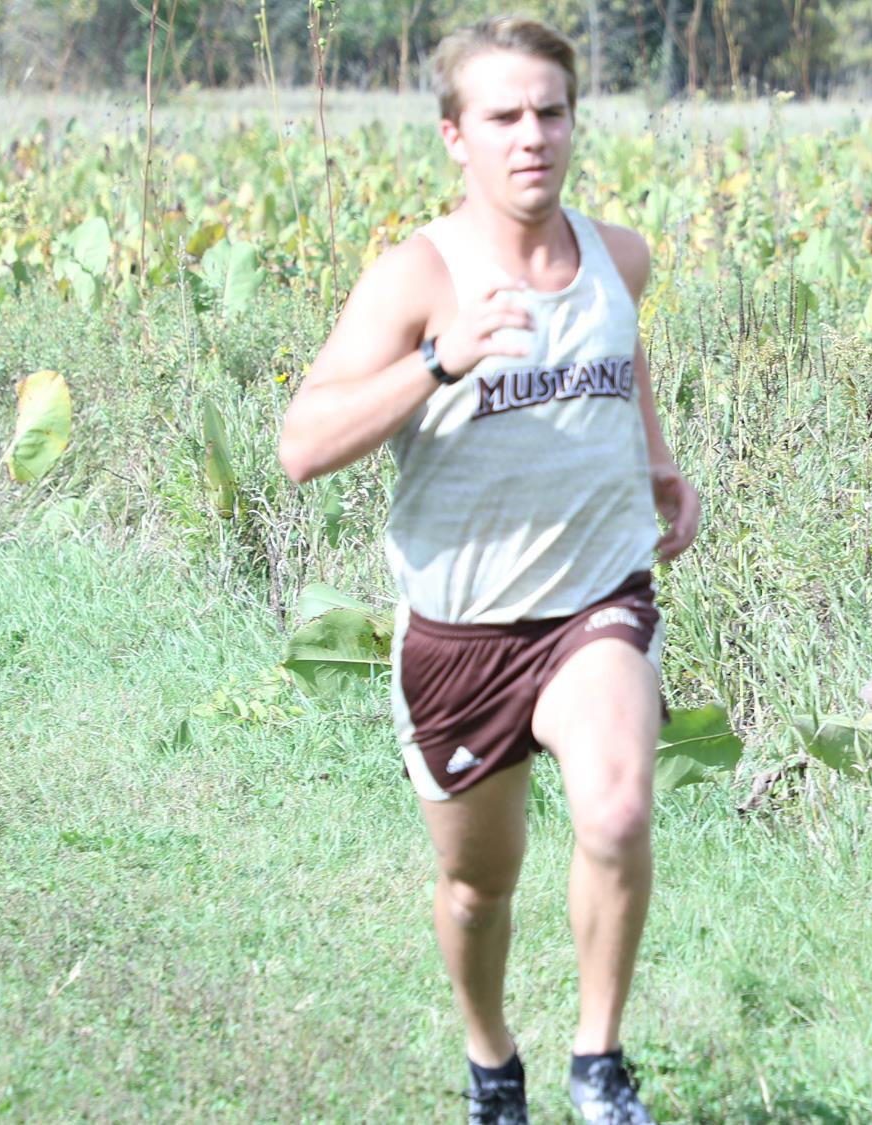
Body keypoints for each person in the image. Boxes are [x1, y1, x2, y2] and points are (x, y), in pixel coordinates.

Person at [275, 15, 700, 1124]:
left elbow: (621, 347)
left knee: (614, 811)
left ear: (573, 123)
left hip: (595, 601)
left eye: (550, 113)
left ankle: (597, 1069)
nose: (531, 137)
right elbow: (300, 446)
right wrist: (436, 359)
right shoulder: (416, 276)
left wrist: (657, 464)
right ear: (454, 135)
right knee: (477, 889)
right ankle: (490, 1063)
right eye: (503, 116)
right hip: (461, 635)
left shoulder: (619, 255)